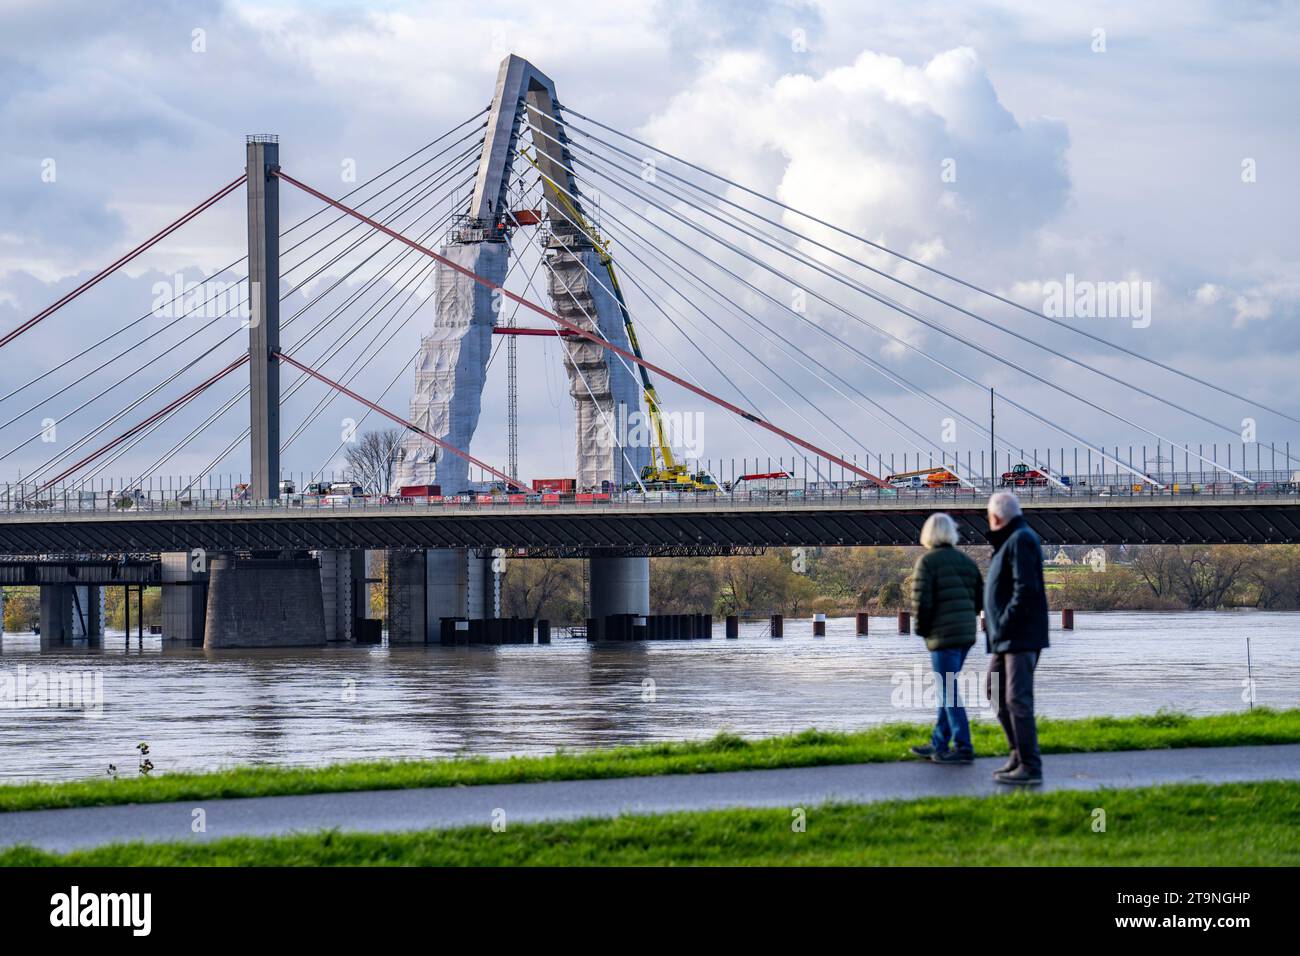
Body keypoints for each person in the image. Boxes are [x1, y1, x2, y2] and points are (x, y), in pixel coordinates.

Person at [984, 491, 1050, 786]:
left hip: (1020, 634)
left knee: (1017, 699)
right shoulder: (1010, 540)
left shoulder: (1021, 539)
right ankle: (1017, 753)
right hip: (1006, 637)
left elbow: (1026, 589)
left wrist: (1005, 621)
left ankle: (1030, 765)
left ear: (996, 517)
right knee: (995, 690)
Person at [908, 513, 983, 765]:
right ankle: (939, 743)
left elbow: (921, 602)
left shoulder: (927, 562)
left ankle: (963, 746)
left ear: (928, 534)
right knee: (946, 689)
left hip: (943, 635)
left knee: (948, 691)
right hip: (966, 635)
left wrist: (922, 631)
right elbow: (979, 600)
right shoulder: (966, 561)